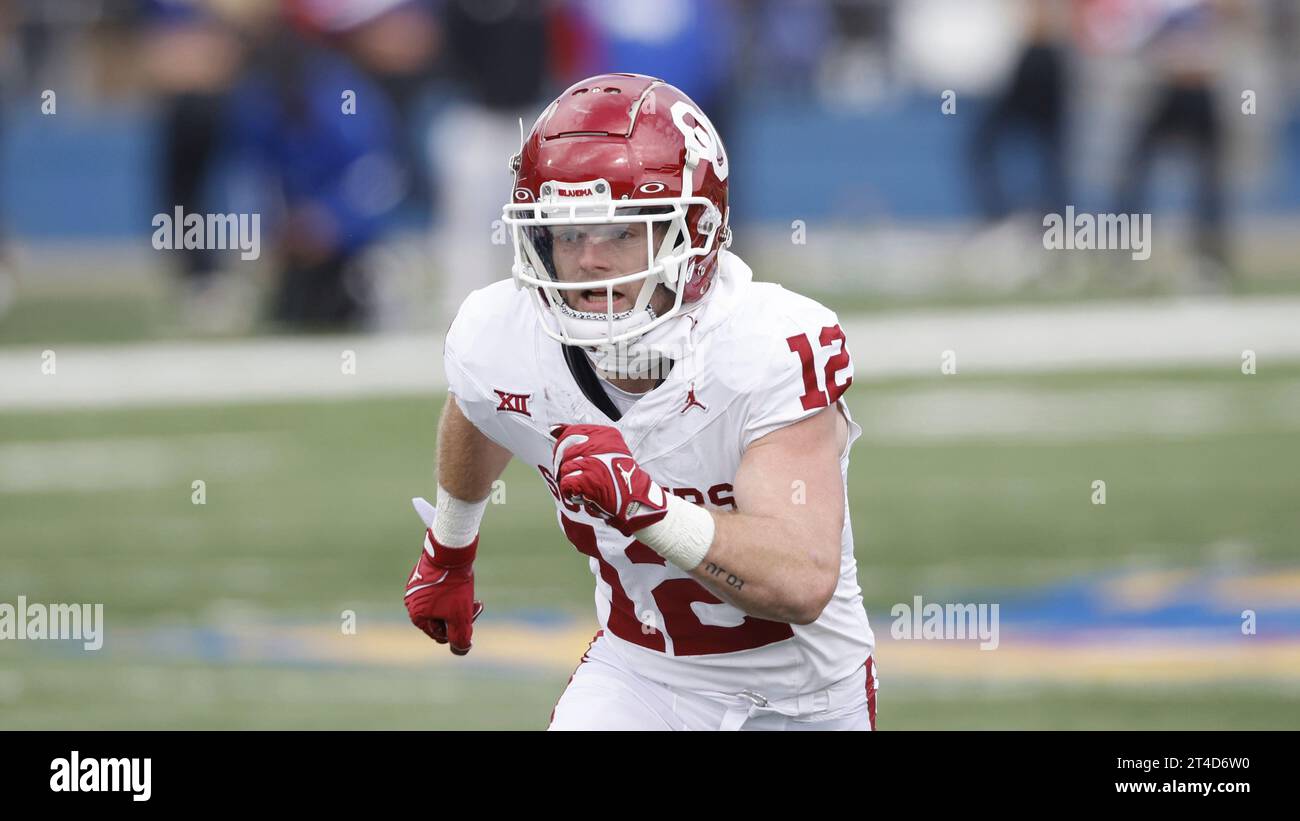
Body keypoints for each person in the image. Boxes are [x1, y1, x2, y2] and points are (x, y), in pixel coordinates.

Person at [404, 73, 877, 731]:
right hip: (641, 676)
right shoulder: (504, 333)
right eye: (569, 233)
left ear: (695, 232)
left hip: (804, 696)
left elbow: (801, 582)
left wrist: (647, 507)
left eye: (623, 231)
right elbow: (482, 404)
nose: (592, 260)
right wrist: (449, 548)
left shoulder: (763, 345)